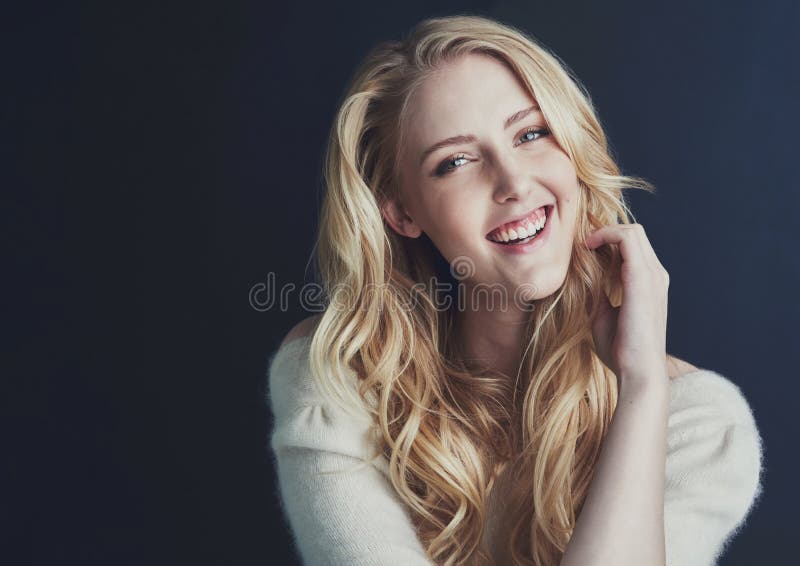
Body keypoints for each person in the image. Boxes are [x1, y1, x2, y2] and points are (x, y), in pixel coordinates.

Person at [267, 14, 763, 566]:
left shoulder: (698, 422)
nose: (514, 182)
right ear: (403, 212)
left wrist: (642, 388)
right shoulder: (338, 379)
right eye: (455, 161)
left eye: (531, 133)